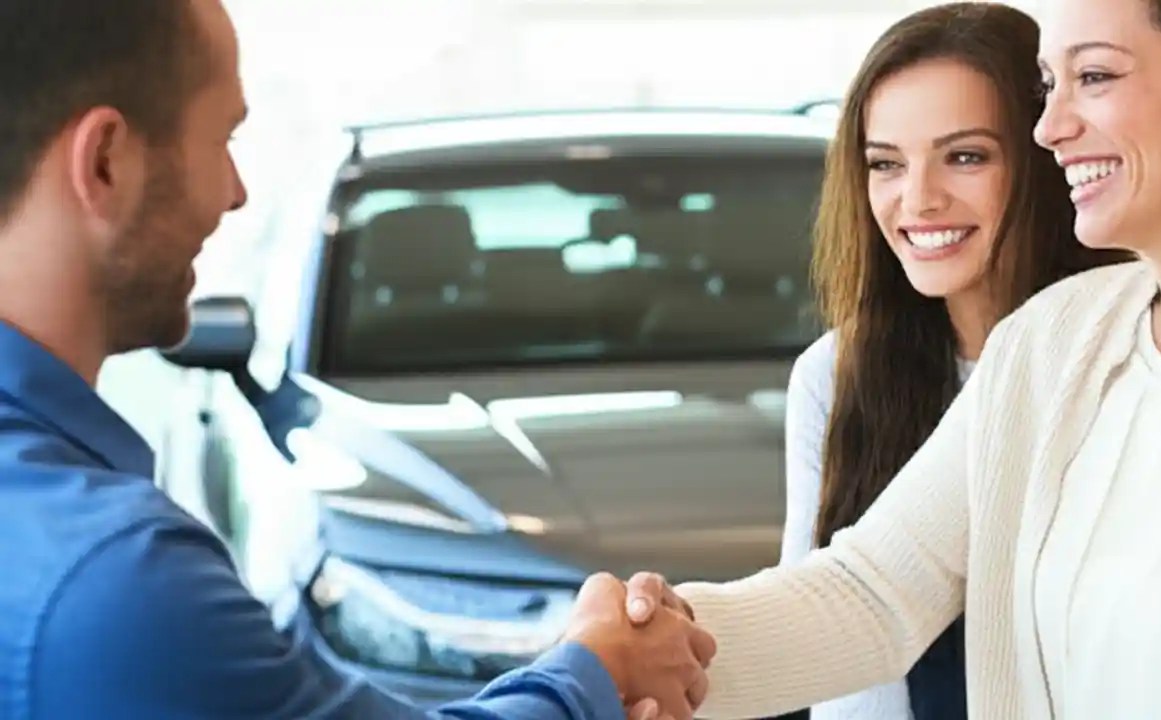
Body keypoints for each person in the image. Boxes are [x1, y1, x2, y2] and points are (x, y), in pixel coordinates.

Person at [0, 1, 713, 719]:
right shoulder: (112, 582)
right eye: (222, 139)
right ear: (106, 161)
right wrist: (597, 672)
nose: (236, 193)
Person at [626, 0, 1161, 717]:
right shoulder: (1049, 343)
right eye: (1048, 85)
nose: (1049, 128)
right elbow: (874, 593)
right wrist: (639, 643)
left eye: (1094, 76)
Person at [778, 4, 1124, 719]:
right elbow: (838, 660)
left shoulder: (1132, 354)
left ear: (1046, 157)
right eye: (885, 164)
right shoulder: (835, 375)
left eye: (966, 156)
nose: (919, 199)